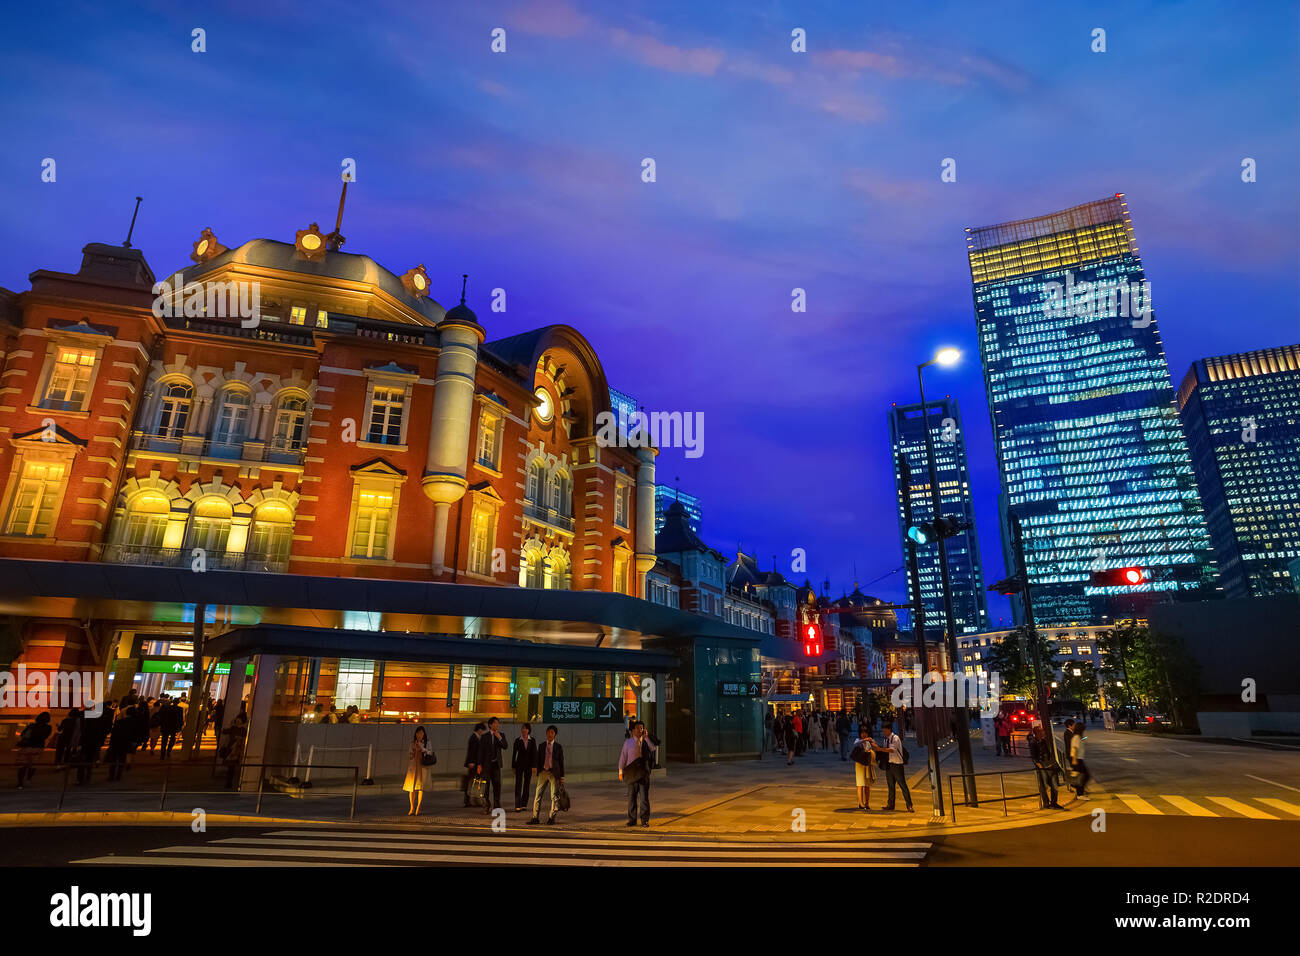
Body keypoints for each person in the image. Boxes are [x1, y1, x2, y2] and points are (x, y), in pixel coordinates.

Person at [618, 720, 659, 827]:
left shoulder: (646, 741)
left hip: (643, 773)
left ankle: (644, 820)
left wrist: (646, 737)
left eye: (641, 728)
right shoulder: (628, 742)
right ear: (633, 731)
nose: (640, 730)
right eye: (638, 728)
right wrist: (620, 771)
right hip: (632, 773)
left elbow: (653, 748)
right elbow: (623, 757)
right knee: (632, 797)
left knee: (644, 798)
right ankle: (632, 819)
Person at [871, 721, 914, 812]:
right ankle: (890, 804)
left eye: (885, 731)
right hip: (889, 764)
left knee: (902, 785)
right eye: (883, 731)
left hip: (897, 764)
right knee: (890, 786)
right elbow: (884, 751)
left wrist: (879, 749)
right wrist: (877, 748)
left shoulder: (895, 738)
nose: (884, 733)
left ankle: (909, 805)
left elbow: (891, 750)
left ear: (889, 730)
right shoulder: (885, 740)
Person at [529, 725, 565, 825]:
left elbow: (561, 762)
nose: (550, 734)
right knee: (538, 795)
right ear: (546, 733)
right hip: (543, 772)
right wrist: (536, 767)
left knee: (554, 796)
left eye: (552, 733)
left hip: (554, 773)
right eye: (548, 732)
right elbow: (537, 758)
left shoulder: (558, 747)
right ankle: (535, 818)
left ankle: (551, 818)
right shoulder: (541, 746)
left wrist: (562, 776)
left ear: (555, 735)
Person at [1028, 723, 1063, 809]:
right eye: (1042, 731)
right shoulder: (1033, 743)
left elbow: (1049, 753)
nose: (1044, 732)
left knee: (1054, 785)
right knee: (1044, 785)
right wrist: (1040, 766)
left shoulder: (1043, 741)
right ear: (1038, 733)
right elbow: (1034, 756)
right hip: (1043, 767)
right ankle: (1046, 803)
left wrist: (1055, 764)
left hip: (1050, 765)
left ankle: (1054, 803)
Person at [476, 716, 506, 814]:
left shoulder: (501, 735)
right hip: (486, 765)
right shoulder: (485, 736)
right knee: (486, 786)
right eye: (495, 723)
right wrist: (479, 765)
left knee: (497, 785)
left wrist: (499, 737)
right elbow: (480, 751)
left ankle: (497, 806)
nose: (497, 725)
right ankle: (487, 805)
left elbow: (505, 746)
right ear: (490, 725)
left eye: (498, 723)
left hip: (496, 765)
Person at [15, 712, 53, 788]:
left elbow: (23, 734)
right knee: (33, 766)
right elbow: (45, 737)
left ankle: (20, 783)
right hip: (38, 748)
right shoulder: (48, 728)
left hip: (27, 747)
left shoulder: (31, 726)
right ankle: (28, 780)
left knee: (22, 766)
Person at [403, 726, 432, 815]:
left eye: (421, 733)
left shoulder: (427, 742)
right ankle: (412, 807)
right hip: (413, 767)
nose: (420, 735)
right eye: (418, 733)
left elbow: (430, 752)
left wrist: (422, 749)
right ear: (416, 734)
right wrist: (413, 751)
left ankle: (418, 808)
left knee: (420, 788)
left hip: (422, 766)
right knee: (411, 788)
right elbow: (410, 754)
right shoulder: (413, 743)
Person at [512, 722, 538, 811]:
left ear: (529, 730)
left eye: (526, 728)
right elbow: (514, 754)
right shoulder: (517, 740)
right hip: (519, 765)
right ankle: (517, 805)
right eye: (522, 728)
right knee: (518, 784)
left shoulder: (532, 740)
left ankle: (524, 804)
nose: (524, 730)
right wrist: (513, 766)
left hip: (529, 766)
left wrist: (534, 766)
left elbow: (535, 754)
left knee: (527, 785)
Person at [850, 724, 875, 810]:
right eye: (862, 732)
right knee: (860, 784)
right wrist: (864, 740)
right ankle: (861, 803)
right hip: (859, 764)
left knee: (867, 785)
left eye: (866, 732)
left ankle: (867, 802)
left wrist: (872, 744)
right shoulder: (858, 740)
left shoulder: (869, 742)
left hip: (867, 765)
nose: (864, 734)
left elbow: (874, 749)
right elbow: (855, 744)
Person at [223, 713, 247, 789]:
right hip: (231, 750)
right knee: (230, 767)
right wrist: (231, 724)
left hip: (237, 751)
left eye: (239, 719)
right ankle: (229, 782)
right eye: (237, 718)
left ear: (242, 721)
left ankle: (231, 783)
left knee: (233, 767)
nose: (237, 720)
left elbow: (244, 739)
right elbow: (224, 731)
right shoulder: (233, 728)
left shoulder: (243, 730)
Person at [463, 724, 484, 808]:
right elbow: (471, 751)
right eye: (482, 730)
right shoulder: (473, 738)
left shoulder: (477, 737)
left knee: (475, 781)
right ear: (479, 730)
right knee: (471, 781)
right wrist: (471, 762)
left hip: (476, 763)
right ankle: (468, 800)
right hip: (473, 764)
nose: (483, 732)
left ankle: (474, 799)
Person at [1069, 724, 1090, 798]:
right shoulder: (1076, 737)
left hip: (1079, 759)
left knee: (1083, 776)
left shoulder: (1078, 737)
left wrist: (1084, 738)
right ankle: (1079, 793)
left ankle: (1079, 790)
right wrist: (1074, 760)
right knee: (1083, 776)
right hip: (1077, 759)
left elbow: (1078, 743)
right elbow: (1074, 748)